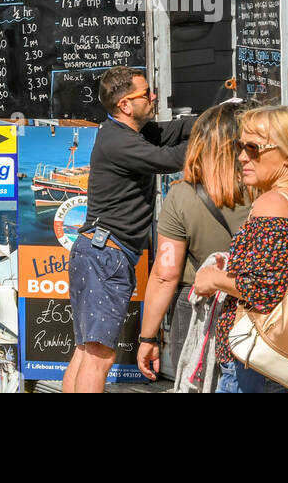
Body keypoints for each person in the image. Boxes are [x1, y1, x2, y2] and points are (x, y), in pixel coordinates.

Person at [62, 67, 196, 393]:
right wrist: (213, 139)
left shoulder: (127, 132)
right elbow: (171, 158)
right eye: (146, 93)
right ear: (125, 104)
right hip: (104, 256)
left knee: (86, 351)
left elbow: (176, 129)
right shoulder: (120, 142)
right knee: (100, 358)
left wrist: (217, 118)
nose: (153, 97)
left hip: (95, 252)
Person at [194, 105, 288, 393]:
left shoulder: (272, 204)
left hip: (256, 361)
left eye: (253, 148)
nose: (242, 157)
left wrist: (212, 278)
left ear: (287, 153)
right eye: (239, 146)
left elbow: (263, 289)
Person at [137, 100, 253, 384]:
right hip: (255, 305)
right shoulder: (269, 192)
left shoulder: (182, 196)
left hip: (196, 310)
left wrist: (148, 337)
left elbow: (165, 275)